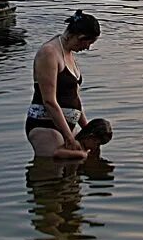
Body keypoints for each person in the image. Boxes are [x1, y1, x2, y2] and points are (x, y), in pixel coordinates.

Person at [26, 11, 101, 157]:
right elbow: (49, 101)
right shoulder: (49, 53)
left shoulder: (69, 53)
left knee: (79, 166)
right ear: (80, 37)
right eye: (89, 43)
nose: (87, 48)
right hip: (46, 126)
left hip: (67, 125)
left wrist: (86, 130)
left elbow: (74, 97)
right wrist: (69, 138)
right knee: (61, 167)